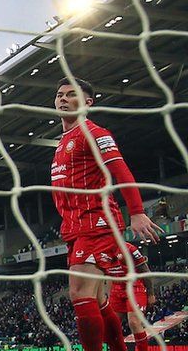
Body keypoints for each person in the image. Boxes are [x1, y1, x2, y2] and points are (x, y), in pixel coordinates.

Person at [51, 78, 162, 351]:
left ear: (88, 102)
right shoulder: (63, 141)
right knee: (99, 302)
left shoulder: (94, 133)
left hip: (96, 221)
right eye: (59, 94)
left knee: (79, 294)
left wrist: (136, 212)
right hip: (75, 226)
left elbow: (121, 171)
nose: (63, 99)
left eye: (71, 95)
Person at [109, 242, 156, 351]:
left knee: (134, 322)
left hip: (135, 286)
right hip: (116, 288)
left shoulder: (129, 248)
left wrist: (151, 293)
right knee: (112, 326)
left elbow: (145, 270)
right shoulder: (100, 249)